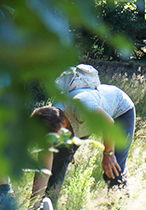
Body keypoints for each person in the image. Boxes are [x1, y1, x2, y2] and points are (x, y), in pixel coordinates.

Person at [45, 64, 136, 196]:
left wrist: (108, 154)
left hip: (119, 112)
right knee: (59, 158)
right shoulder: (53, 118)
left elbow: (108, 124)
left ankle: (117, 207)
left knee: (113, 168)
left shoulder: (82, 104)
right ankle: (47, 206)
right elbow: (44, 168)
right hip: (80, 118)